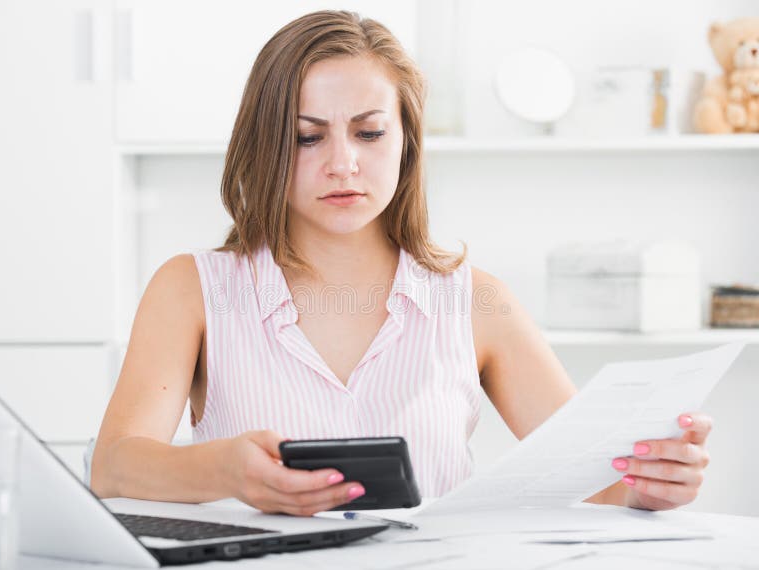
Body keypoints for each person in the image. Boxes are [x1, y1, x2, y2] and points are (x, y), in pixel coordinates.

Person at [90, 10, 712, 516]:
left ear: (407, 141)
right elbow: (113, 468)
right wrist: (223, 470)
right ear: (266, 145)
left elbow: (600, 480)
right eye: (308, 136)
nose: (343, 163)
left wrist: (652, 483)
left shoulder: (477, 302)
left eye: (369, 133)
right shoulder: (192, 289)